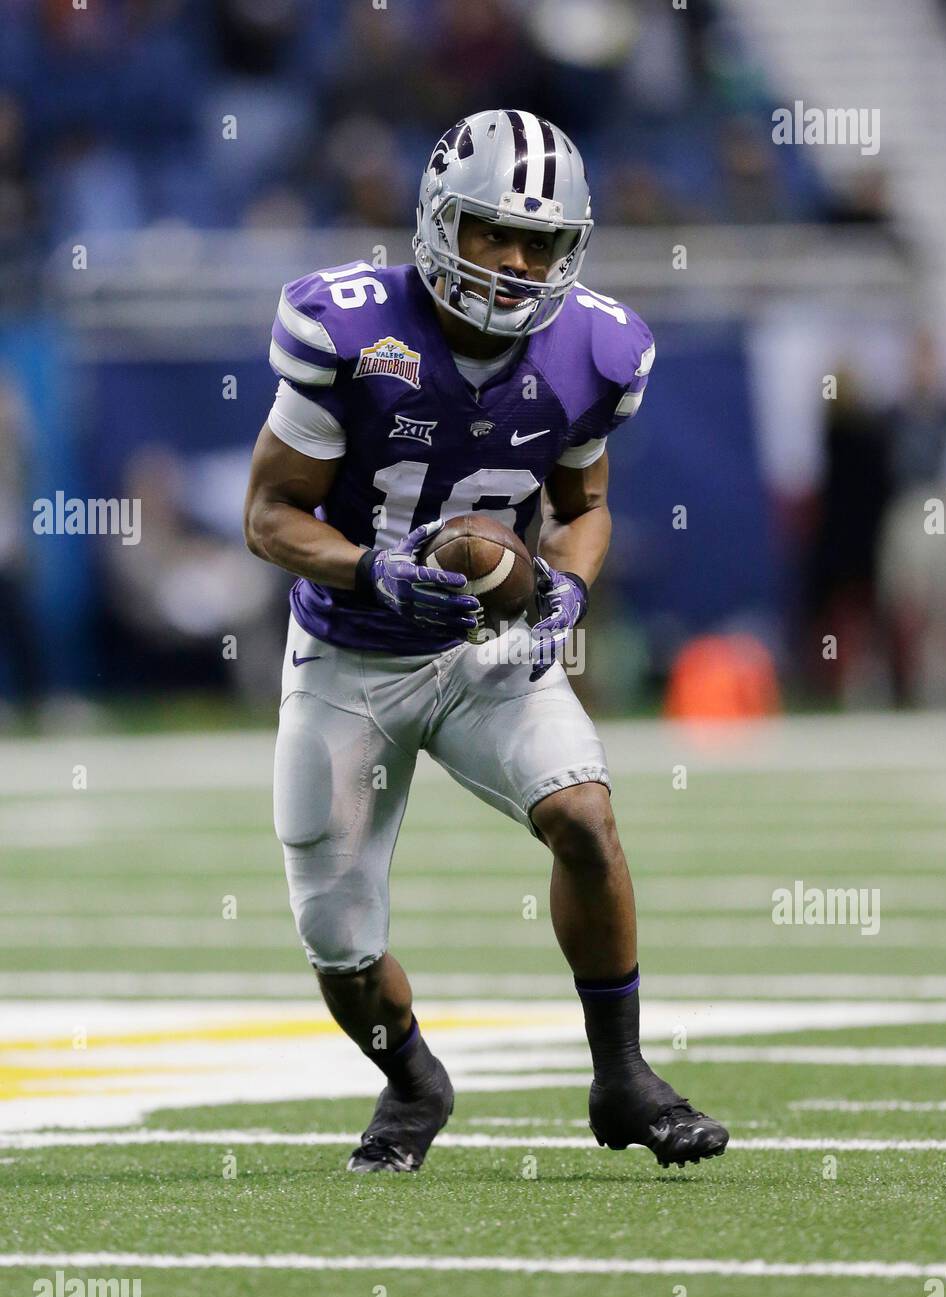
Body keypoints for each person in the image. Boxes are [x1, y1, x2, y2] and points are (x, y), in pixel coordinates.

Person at [243, 110, 729, 1173]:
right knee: (341, 945)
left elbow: (583, 503)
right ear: (434, 223)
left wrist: (563, 586)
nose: (516, 264)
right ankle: (412, 1080)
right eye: (490, 234)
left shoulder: (595, 348)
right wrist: (371, 568)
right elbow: (271, 515)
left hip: (479, 646)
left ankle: (621, 1077)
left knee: (586, 819)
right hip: (348, 658)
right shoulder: (354, 329)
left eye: (540, 242)